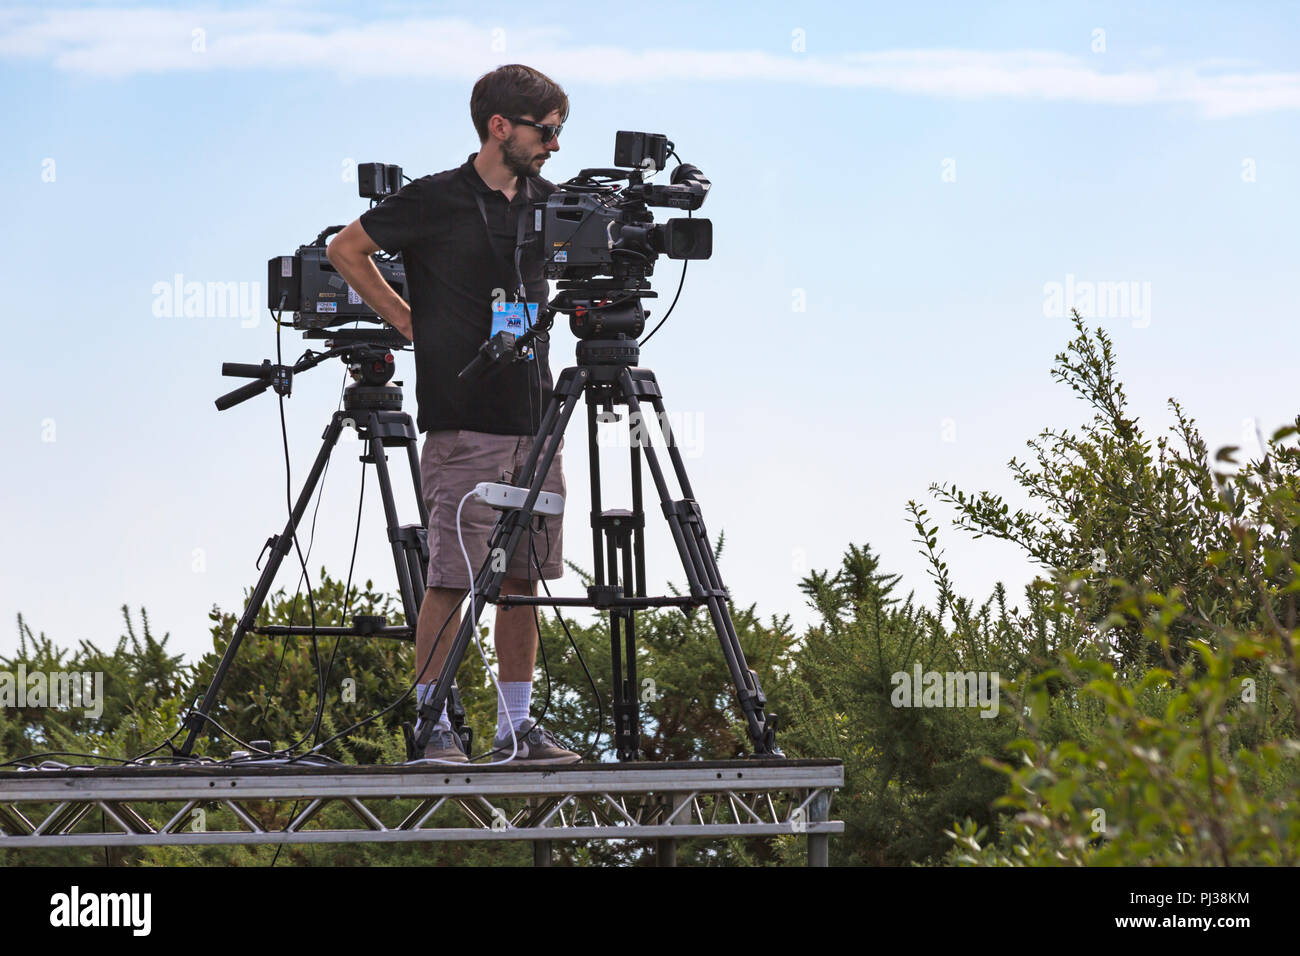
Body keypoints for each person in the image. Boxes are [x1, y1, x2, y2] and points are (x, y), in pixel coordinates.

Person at [326, 64, 578, 765]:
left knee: (524, 578)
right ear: (501, 127)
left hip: (536, 419)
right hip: (463, 421)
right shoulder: (436, 198)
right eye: (547, 130)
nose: (555, 144)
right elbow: (345, 250)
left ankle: (515, 728)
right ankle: (433, 725)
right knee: (451, 578)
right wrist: (408, 321)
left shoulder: (550, 204)